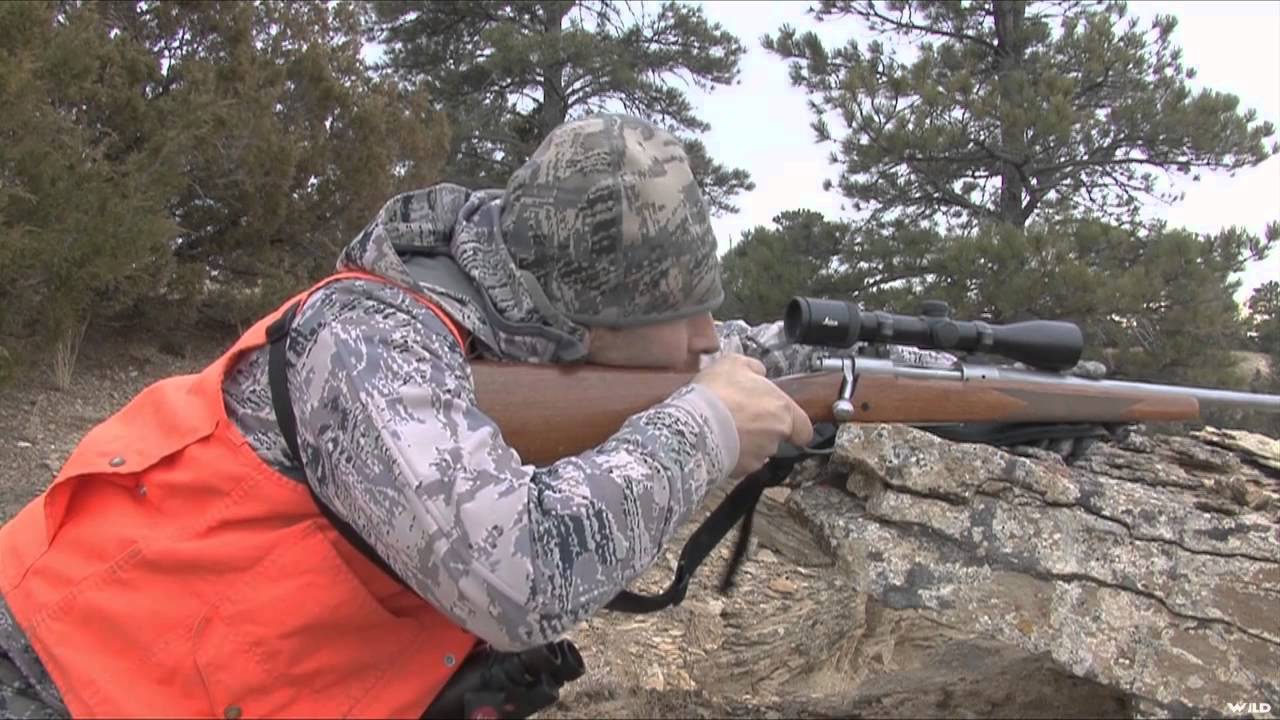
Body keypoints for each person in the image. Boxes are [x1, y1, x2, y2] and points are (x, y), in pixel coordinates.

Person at [0, 113, 1091, 720]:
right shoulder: (367, 340)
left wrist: (981, 400)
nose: (707, 334)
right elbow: (517, 583)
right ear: (578, 324)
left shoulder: (524, 314)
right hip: (58, 682)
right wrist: (705, 427)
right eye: (677, 316)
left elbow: (766, 356)